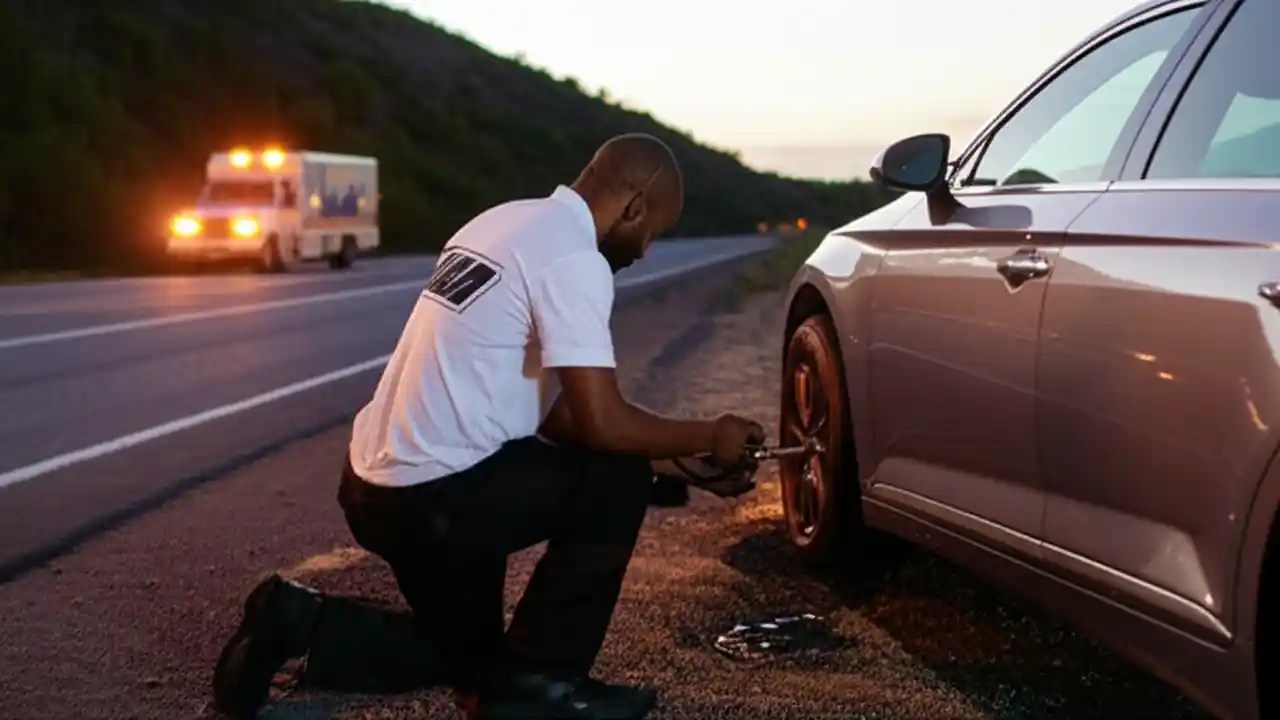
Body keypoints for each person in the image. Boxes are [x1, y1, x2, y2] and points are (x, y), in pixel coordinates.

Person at [211, 133, 764, 720]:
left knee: (466, 660)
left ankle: (297, 620)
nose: (646, 249)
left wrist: (680, 464)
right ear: (632, 207)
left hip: (376, 490)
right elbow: (603, 425)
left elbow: (551, 414)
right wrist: (710, 433)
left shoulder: (501, 223)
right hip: (441, 494)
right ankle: (541, 690)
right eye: (651, 230)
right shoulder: (575, 258)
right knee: (616, 482)